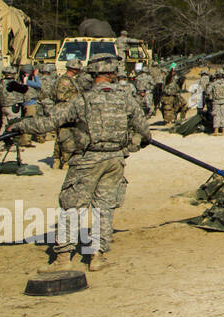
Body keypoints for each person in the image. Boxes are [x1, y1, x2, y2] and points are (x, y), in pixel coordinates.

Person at [9, 54, 150, 272]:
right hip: (115, 160)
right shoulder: (125, 99)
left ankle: (63, 258)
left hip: (87, 160)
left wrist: (21, 126)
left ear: (93, 74)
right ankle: (97, 257)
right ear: (112, 74)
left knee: (72, 206)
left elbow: (49, 122)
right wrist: (134, 145)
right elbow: (145, 131)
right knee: (104, 208)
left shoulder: (82, 100)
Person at [207, 69, 224, 135]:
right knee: (223, 115)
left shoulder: (213, 83)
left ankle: (216, 131)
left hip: (216, 101)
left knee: (216, 115)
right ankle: (223, 131)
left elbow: (207, 92)